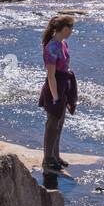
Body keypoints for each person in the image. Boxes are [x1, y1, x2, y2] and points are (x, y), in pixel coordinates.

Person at [39, 14, 77, 173]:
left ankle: (56, 155)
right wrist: (55, 96)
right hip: (54, 88)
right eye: (71, 28)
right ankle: (47, 159)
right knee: (52, 123)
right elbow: (51, 76)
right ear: (65, 28)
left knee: (60, 122)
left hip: (63, 86)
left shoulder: (63, 44)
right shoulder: (51, 47)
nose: (72, 31)